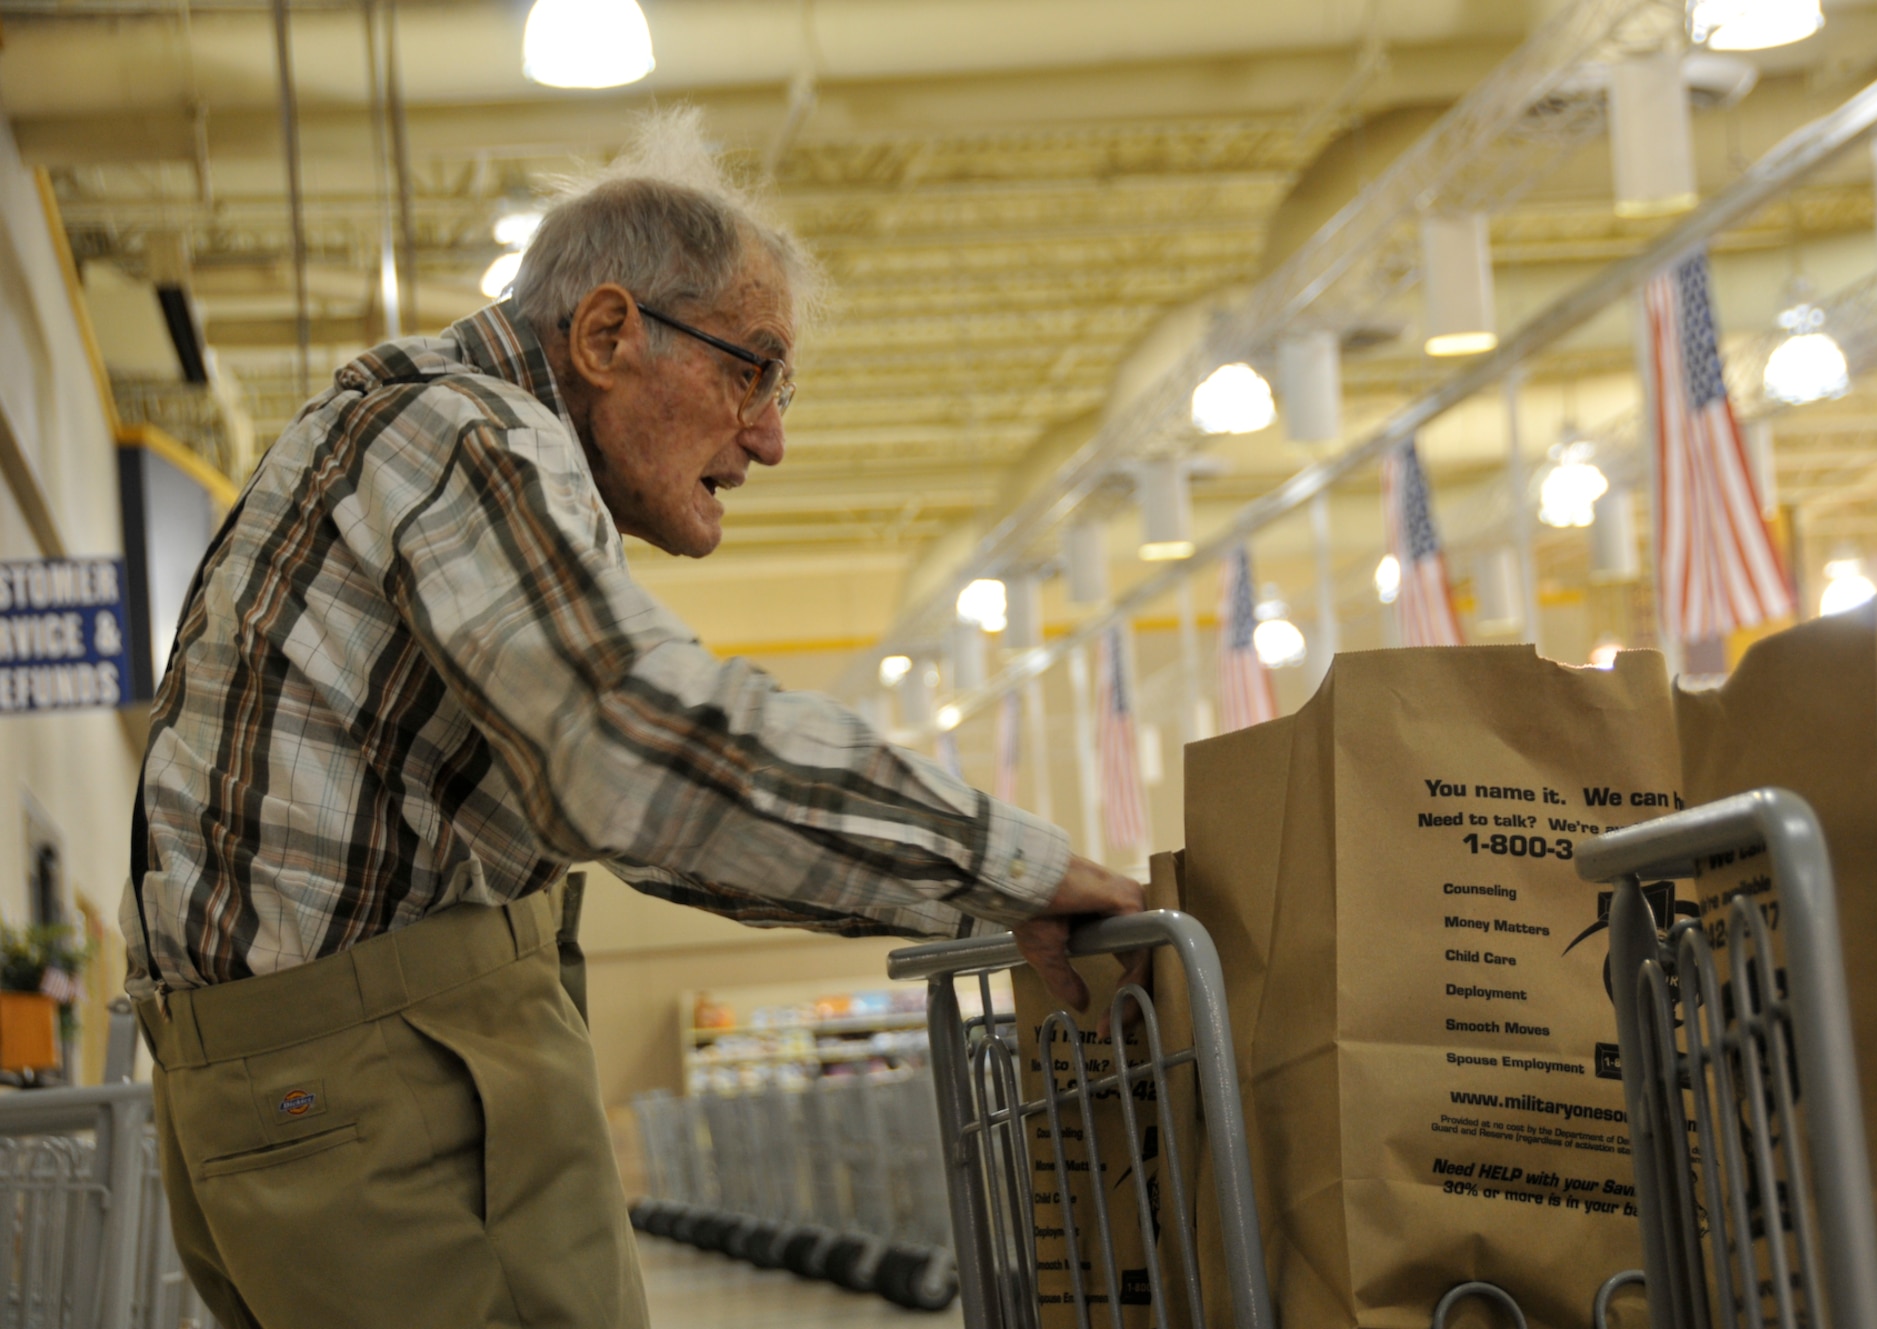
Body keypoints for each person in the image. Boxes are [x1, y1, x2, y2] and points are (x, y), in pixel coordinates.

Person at [124, 112, 1143, 1329]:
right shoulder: (458, 435)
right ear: (608, 332)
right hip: (389, 1081)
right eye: (749, 368)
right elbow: (637, 747)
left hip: (269, 1092)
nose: (768, 435)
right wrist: (1012, 868)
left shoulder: (382, 436)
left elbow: (642, 804)